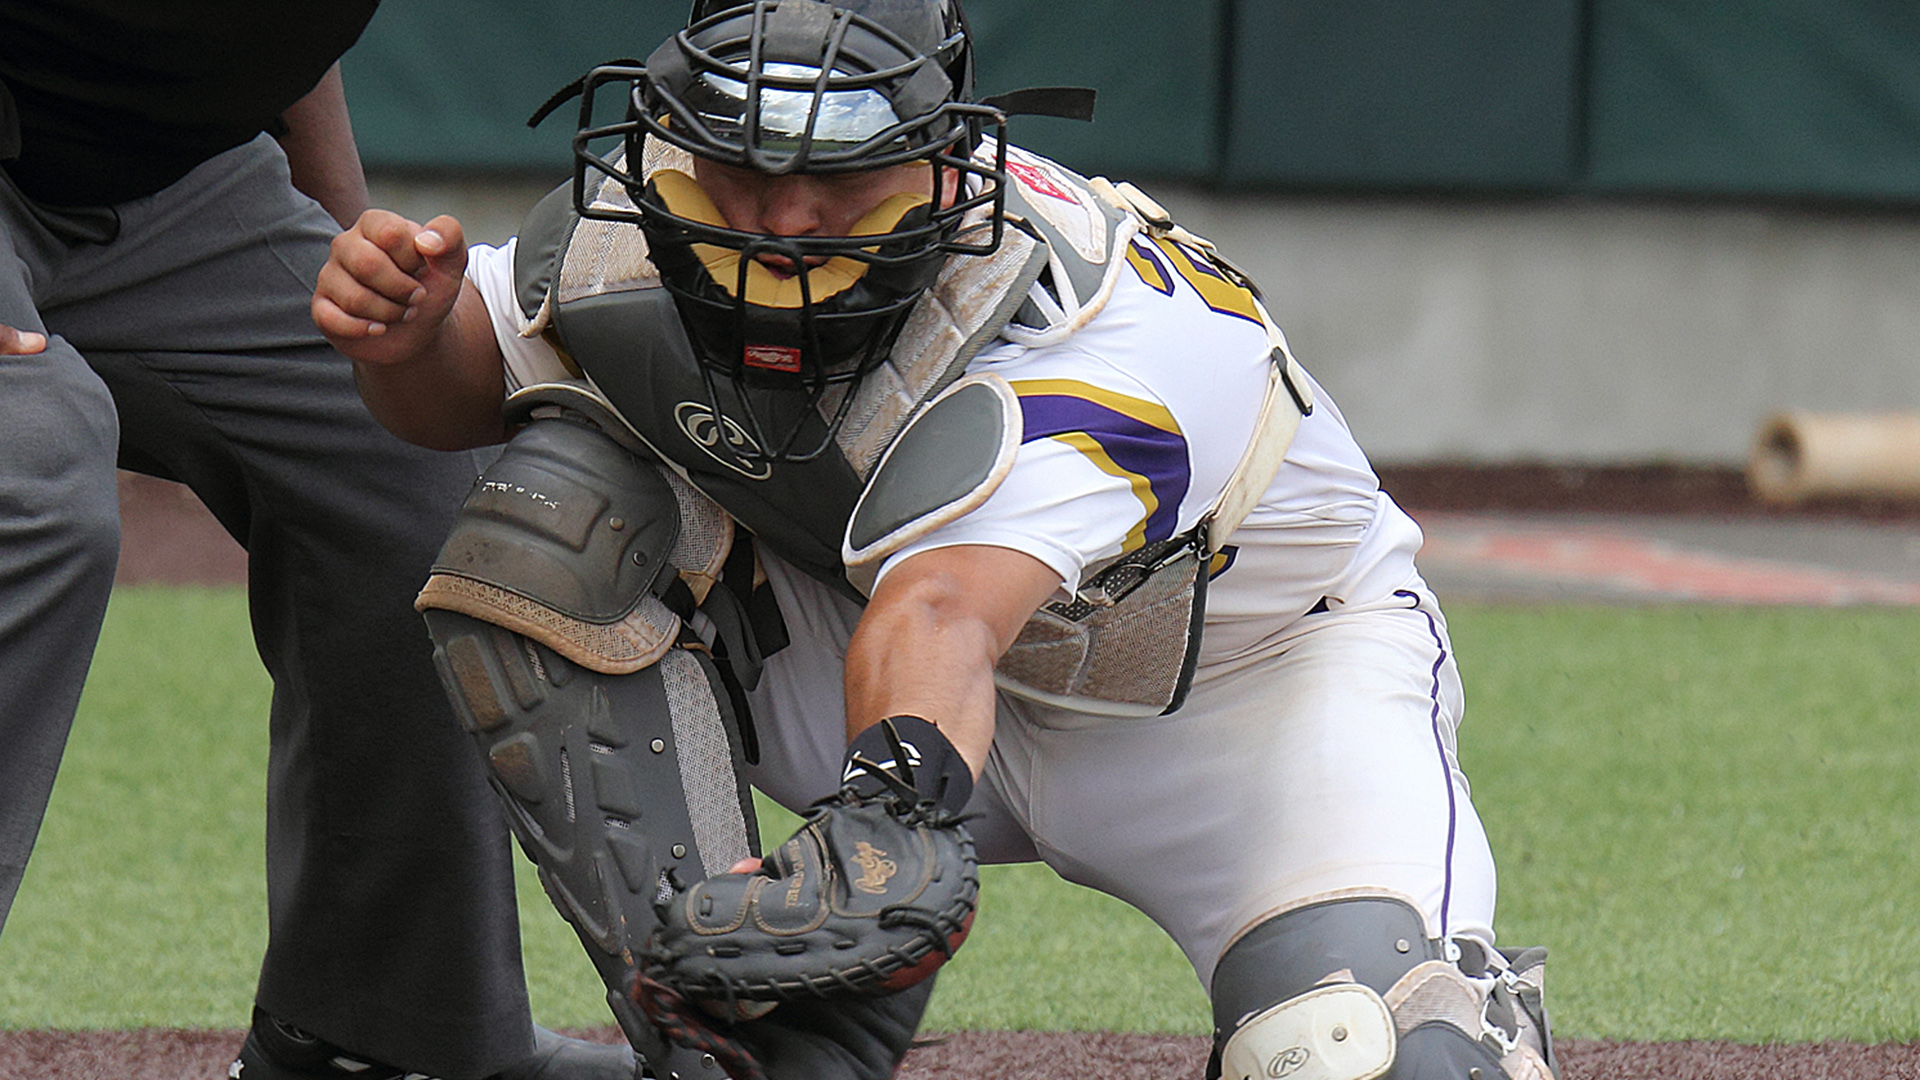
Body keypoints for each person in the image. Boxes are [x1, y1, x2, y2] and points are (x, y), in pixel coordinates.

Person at [314, 1, 1562, 1078]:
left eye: (840, 174)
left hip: (1238, 696)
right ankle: (730, 1044)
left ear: (945, 171)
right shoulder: (630, 242)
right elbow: (464, 393)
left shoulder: (1103, 332)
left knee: (1364, 1047)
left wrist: (884, 820)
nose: (780, 219)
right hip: (872, 650)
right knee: (550, 522)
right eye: (739, 165)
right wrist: (407, 337)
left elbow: (948, 606)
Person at [0, 6, 640, 1079]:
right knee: (27, 470)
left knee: (402, 446)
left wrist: (366, 284)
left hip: (172, 177)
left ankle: (378, 1034)